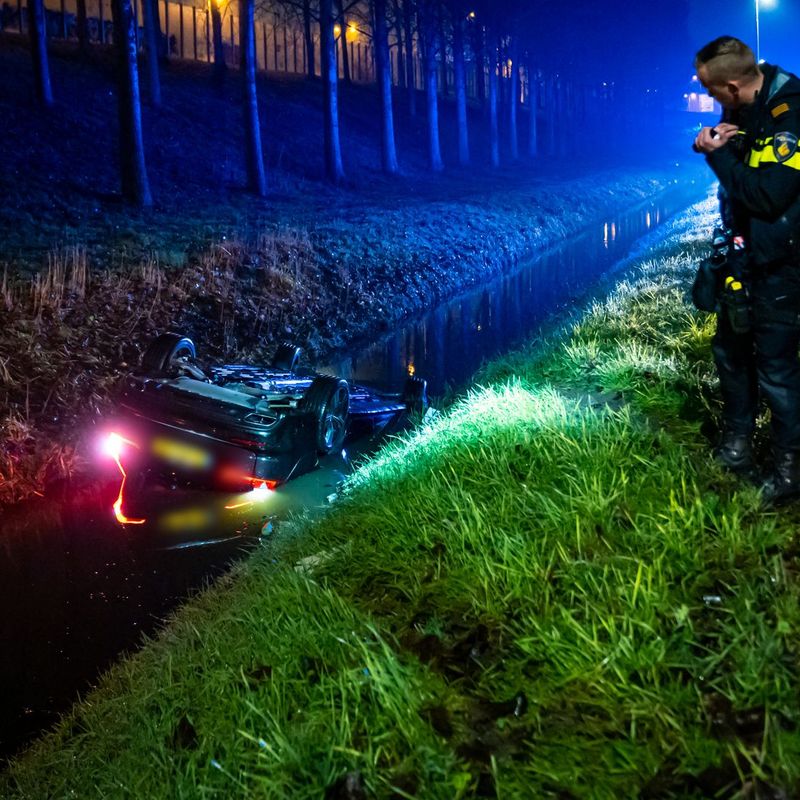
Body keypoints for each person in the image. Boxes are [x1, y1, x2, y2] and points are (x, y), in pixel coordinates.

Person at [692, 36, 800, 503]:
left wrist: (716, 155)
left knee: (777, 369)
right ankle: (736, 447)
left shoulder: (790, 116)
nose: (712, 100)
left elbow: (766, 196)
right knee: (731, 353)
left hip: (782, 265)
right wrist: (712, 144)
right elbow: (738, 167)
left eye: (712, 91)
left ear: (733, 87)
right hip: (742, 256)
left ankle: (789, 471)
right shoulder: (741, 109)